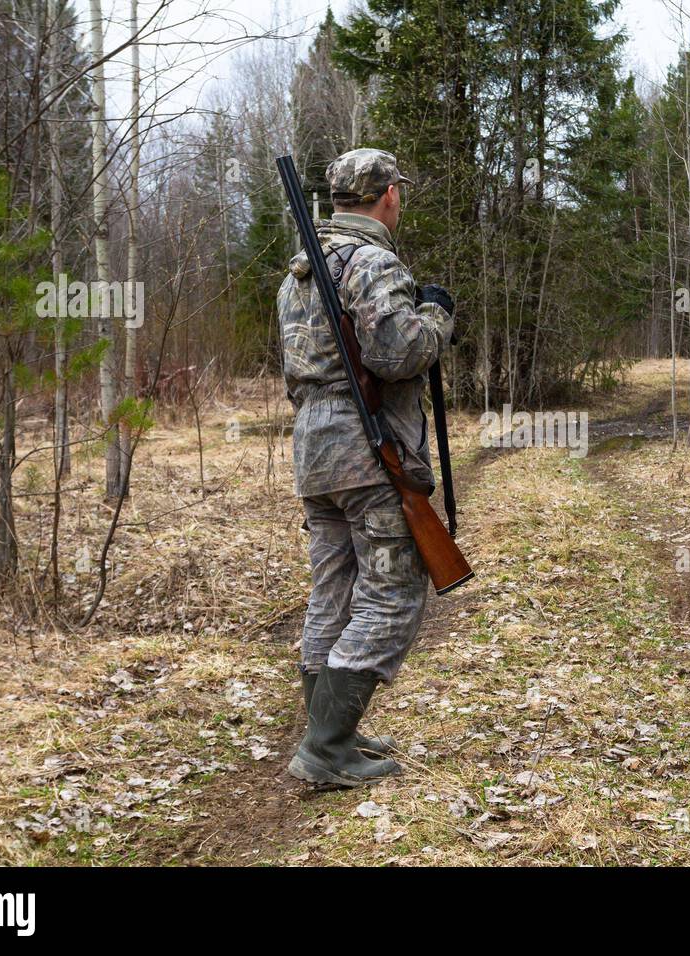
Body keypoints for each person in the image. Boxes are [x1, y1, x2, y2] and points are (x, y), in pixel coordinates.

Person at [276, 147, 455, 788]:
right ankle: (325, 747)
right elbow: (398, 353)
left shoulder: (298, 272)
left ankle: (333, 729)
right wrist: (436, 317)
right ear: (386, 196)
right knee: (389, 594)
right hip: (367, 453)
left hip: (314, 453)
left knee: (334, 589)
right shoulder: (373, 262)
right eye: (398, 191)